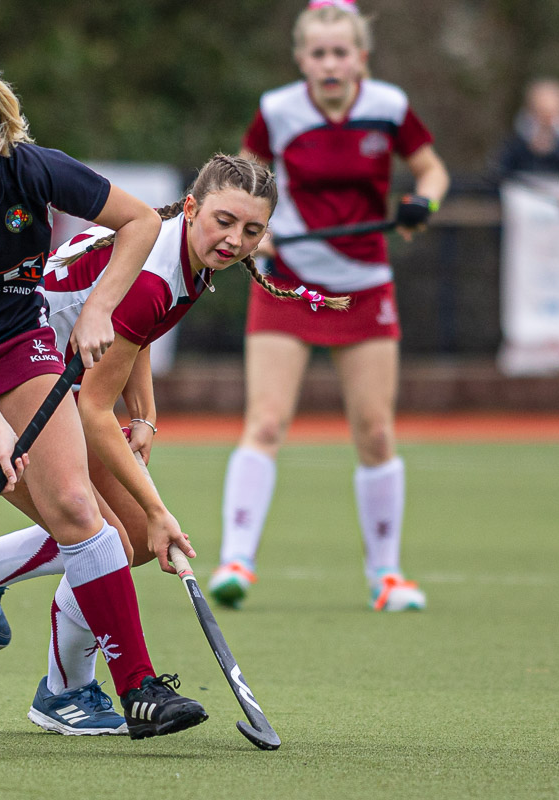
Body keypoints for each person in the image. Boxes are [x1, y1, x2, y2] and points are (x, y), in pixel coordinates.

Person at [0, 59, 208, 748]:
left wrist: (99, 309)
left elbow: (139, 222)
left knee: (82, 510)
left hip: (16, 337)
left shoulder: (35, 169)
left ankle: (136, 689)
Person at [0, 154, 344, 734]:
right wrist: (161, 512)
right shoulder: (156, 275)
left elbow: (130, 337)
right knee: (114, 535)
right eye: (224, 221)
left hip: (47, 387)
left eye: (252, 230)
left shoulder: (179, 250)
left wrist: (147, 413)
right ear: (192, 208)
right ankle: (66, 691)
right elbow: (92, 408)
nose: (235, 240)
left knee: (127, 539)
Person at [208, 0, 450, 613]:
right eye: (318, 53)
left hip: (365, 286)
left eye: (342, 52)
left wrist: (425, 202)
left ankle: (386, 576)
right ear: (302, 59)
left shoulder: (389, 108)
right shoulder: (277, 112)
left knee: (374, 431)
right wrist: (261, 231)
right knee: (265, 422)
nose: (330, 63)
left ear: (360, 58)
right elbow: (247, 182)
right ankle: (236, 561)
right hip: (290, 281)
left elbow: (432, 172)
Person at [492, 78, 559, 179]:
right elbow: (500, 172)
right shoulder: (515, 142)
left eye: (551, 112)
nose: (546, 119)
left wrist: (554, 150)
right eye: (541, 111)